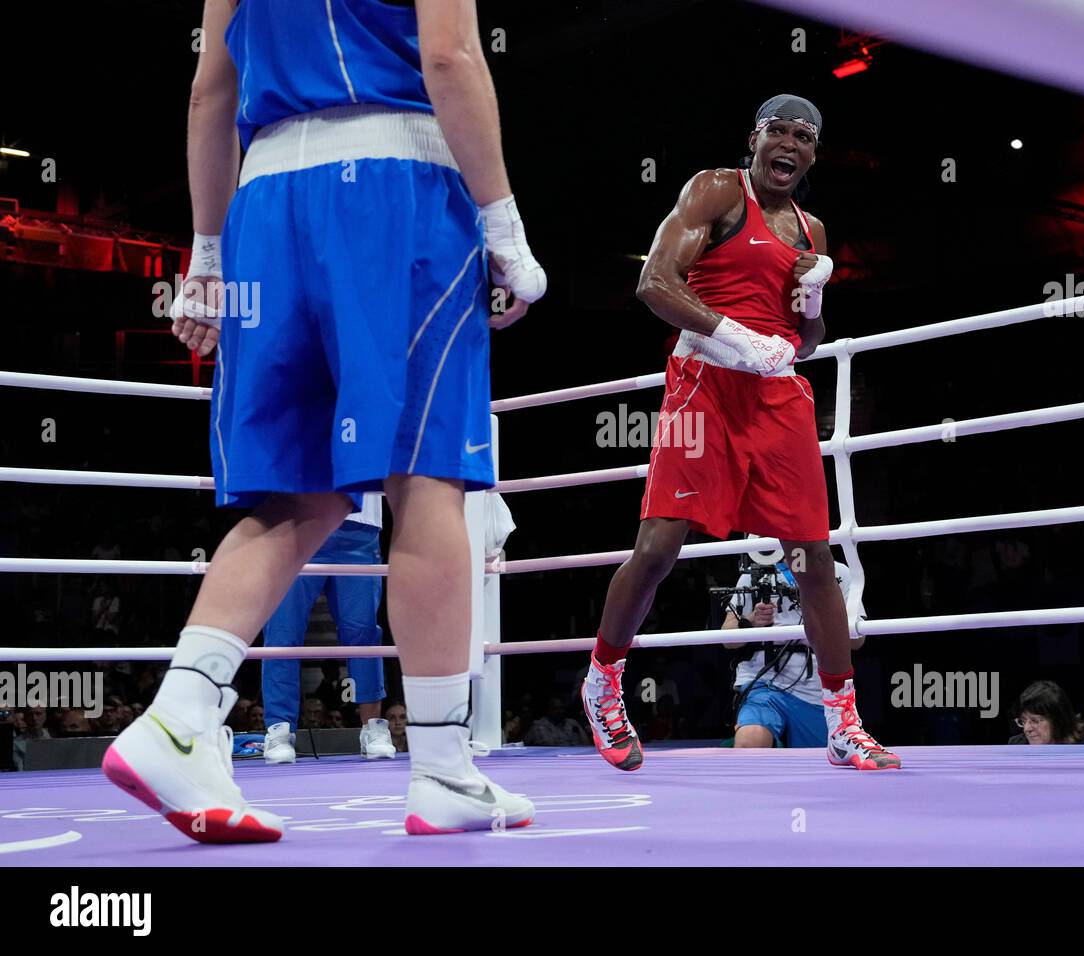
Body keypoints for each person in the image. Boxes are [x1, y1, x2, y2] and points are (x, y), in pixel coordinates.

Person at [102, 0, 545, 843]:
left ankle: (181, 714)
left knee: (296, 492)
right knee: (428, 471)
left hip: (263, 202)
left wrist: (204, 255)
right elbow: (451, 59)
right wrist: (504, 224)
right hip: (395, 187)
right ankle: (446, 769)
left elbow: (210, 93)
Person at [580, 94, 899, 772]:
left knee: (814, 558)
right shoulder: (715, 191)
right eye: (777, 131)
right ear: (754, 139)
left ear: (814, 152)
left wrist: (810, 305)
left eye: (804, 136)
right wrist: (736, 337)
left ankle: (843, 723)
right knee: (661, 543)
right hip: (702, 387)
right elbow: (652, 282)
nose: (789, 144)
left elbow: (805, 341)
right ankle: (603, 678)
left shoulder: (811, 229)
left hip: (777, 399)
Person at [261, 494, 395, 764]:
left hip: (359, 525)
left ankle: (373, 728)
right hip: (295, 521)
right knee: (282, 632)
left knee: (363, 632)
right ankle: (279, 728)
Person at [722, 557, 865, 748]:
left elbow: (857, 641)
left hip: (817, 688)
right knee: (750, 740)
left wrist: (824, 613)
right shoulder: (754, 575)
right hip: (764, 682)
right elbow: (726, 639)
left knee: (820, 767)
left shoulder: (837, 572)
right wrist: (750, 621)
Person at [1007, 681, 1084, 744]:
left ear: (1058, 720)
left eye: (1035, 720)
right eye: (1023, 721)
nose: (1027, 729)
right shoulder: (1017, 744)